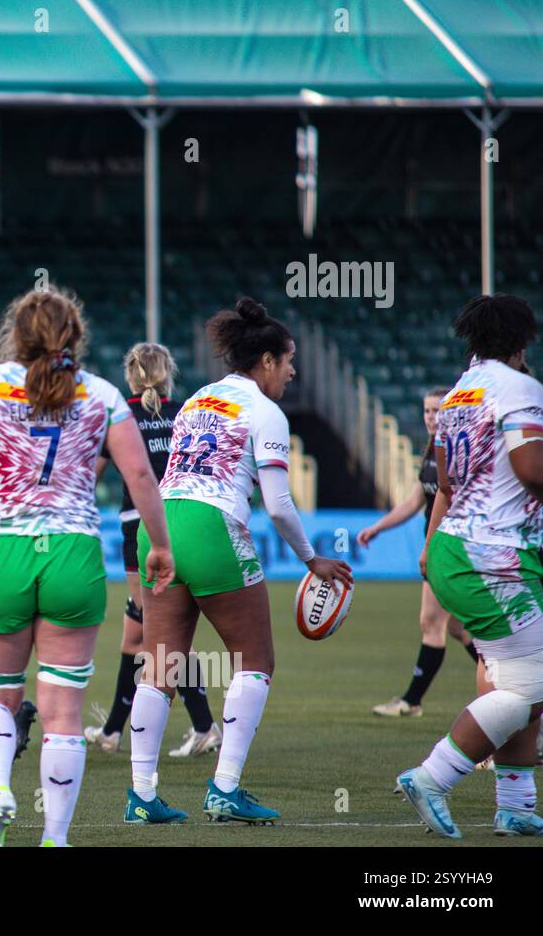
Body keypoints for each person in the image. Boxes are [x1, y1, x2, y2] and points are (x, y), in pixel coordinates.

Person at [0, 288, 174, 846]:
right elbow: (140, 479)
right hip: (75, 557)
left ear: (18, 333)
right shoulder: (103, 395)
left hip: (3, 552)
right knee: (63, 710)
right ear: (75, 334)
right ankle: (56, 839)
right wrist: (159, 546)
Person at [126, 297, 352, 826]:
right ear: (266, 360)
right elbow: (277, 504)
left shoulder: (199, 397)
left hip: (157, 524)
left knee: (158, 666)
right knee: (256, 661)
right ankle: (225, 788)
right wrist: (311, 558)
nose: (293, 372)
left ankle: (141, 795)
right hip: (211, 528)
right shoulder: (266, 411)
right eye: (289, 360)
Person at [398, 293, 543, 839]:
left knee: (520, 683)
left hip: (459, 548)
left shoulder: (458, 394)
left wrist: (432, 545)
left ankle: (516, 805)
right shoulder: (521, 388)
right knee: (533, 683)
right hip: (493, 555)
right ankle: (433, 776)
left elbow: (448, 482)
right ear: (522, 342)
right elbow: (530, 467)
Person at [87, 342, 221, 759]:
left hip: (139, 529)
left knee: (162, 630)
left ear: (131, 375)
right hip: (182, 523)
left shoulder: (121, 414)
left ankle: (204, 725)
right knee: (137, 635)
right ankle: (112, 731)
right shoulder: (185, 412)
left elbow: (91, 476)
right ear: (167, 374)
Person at [363, 387, 478, 718]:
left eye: (436, 410)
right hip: (442, 547)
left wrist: (430, 547)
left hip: (451, 548)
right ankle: (507, 681)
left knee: (431, 621)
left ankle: (412, 701)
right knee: (457, 627)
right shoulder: (433, 450)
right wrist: (378, 528)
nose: (430, 417)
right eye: (426, 410)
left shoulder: (457, 449)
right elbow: (415, 502)